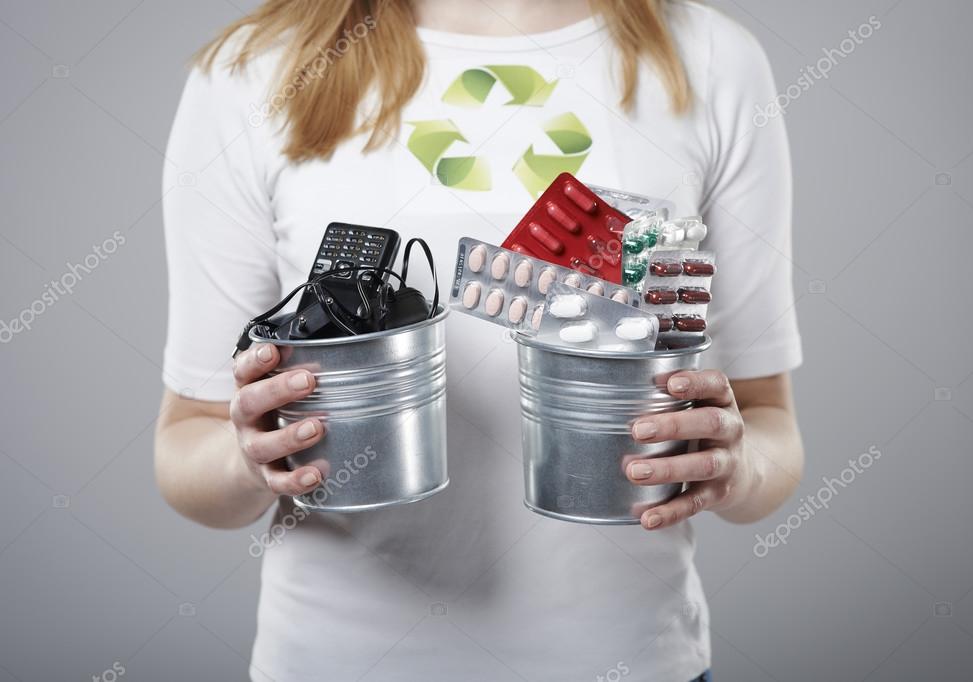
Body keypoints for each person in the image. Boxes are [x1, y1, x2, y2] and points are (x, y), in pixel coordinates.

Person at [154, 1, 804, 679]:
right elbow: (185, 446)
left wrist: (738, 466)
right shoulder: (253, 71)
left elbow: (768, 422)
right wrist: (252, 456)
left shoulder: (707, 56)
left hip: (631, 661)